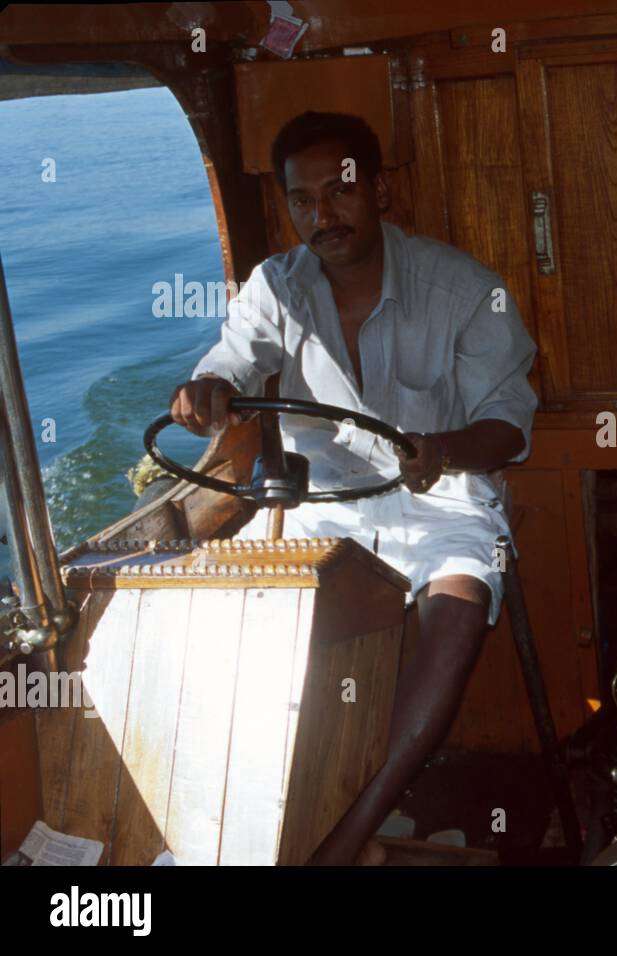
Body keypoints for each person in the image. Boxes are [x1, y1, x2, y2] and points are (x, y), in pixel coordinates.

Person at [169, 111, 538, 865]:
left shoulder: (465, 290)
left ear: (380, 191)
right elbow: (234, 359)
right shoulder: (277, 285)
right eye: (301, 201)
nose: (321, 216)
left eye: (337, 192)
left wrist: (443, 449)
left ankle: (348, 834)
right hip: (324, 505)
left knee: (459, 605)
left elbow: (508, 426)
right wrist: (208, 387)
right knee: (225, 614)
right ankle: (238, 822)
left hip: (444, 499)